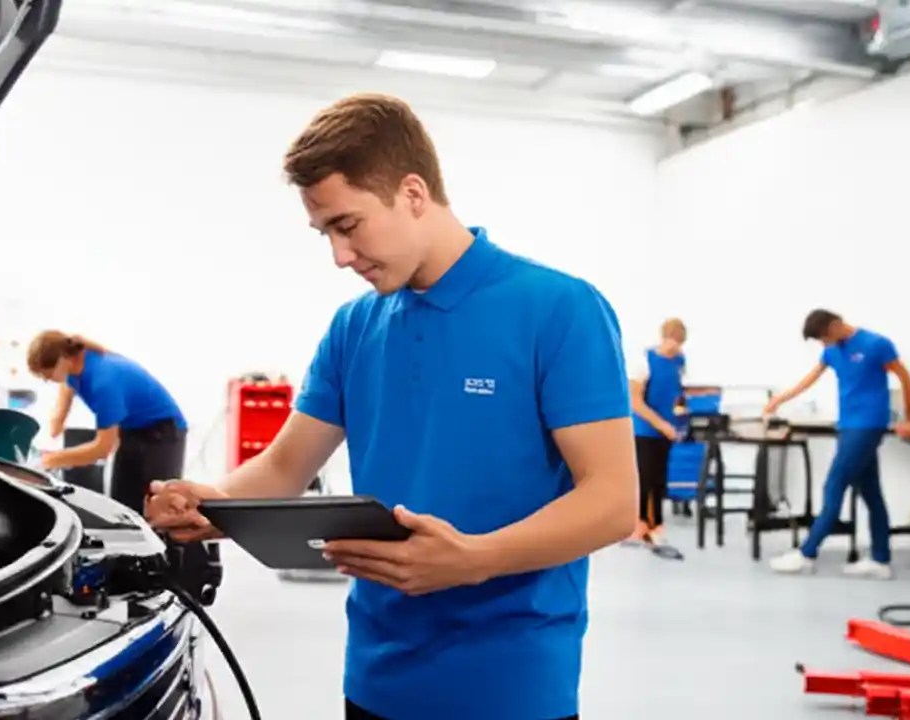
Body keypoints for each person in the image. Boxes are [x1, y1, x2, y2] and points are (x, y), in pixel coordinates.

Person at [145, 93, 637, 720]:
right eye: (325, 234)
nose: (339, 257)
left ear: (412, 193)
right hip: (376, 678)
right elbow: (284, 468)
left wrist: (476, 560)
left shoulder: (560, 309)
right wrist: (215, 504)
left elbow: (614, 502)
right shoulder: (354, 326)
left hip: (511, 686)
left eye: (348, 226)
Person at [763, 309, 910, 579]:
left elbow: (904, 377)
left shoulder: (876, 344)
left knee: (834, 485)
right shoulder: (832, 351)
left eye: (823, 337)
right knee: (871, 493)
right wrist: (780, 399)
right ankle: (880, 560)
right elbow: (811, 378)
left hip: (868, 424)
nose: (823, 344)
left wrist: (909, 417)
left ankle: (806, 554)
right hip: (847, 426)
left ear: (835, 326)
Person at [26, 330, 188, 512]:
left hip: (163, 435)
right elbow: (63, 399)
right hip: (132, 430)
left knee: (160, 509)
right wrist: (54, 428)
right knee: (122, 508)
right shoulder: (74, 367)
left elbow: (102, 449)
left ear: (64, 359)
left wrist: (50, 460)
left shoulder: (103, 381)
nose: (46, 380)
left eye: (46, 375)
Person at [626, 317, 687, 559]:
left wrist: (679, 414)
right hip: (645, 429)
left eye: (679, 343)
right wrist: (661, 424)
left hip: (667, 429)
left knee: (660, 478)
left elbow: (676, 392)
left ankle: (657, 524)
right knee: (645, 477)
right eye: (671, 342)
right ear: (663, 338)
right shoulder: (643, 361)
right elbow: (635, 402)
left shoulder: (680, 360)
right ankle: (640, 525)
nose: (674, 348)